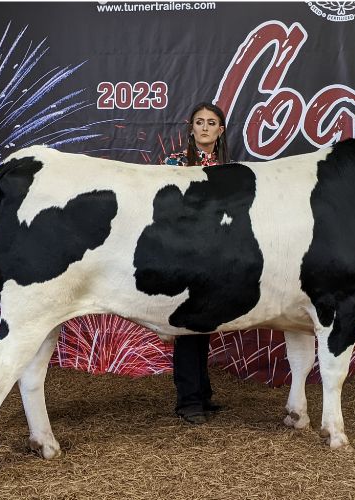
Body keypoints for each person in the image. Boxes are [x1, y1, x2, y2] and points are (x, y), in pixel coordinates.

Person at [161, 102, 229, 424]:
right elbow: (162, 208)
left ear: (220, 130)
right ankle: (188, 401)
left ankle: (202, 394)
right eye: (199, 122)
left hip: (215, 256)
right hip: (184, 253)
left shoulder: (229, 169)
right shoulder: (174, 163)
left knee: (204, 324)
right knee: (188, 327)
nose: (204, 127)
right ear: (191, 128)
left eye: (211, 122)